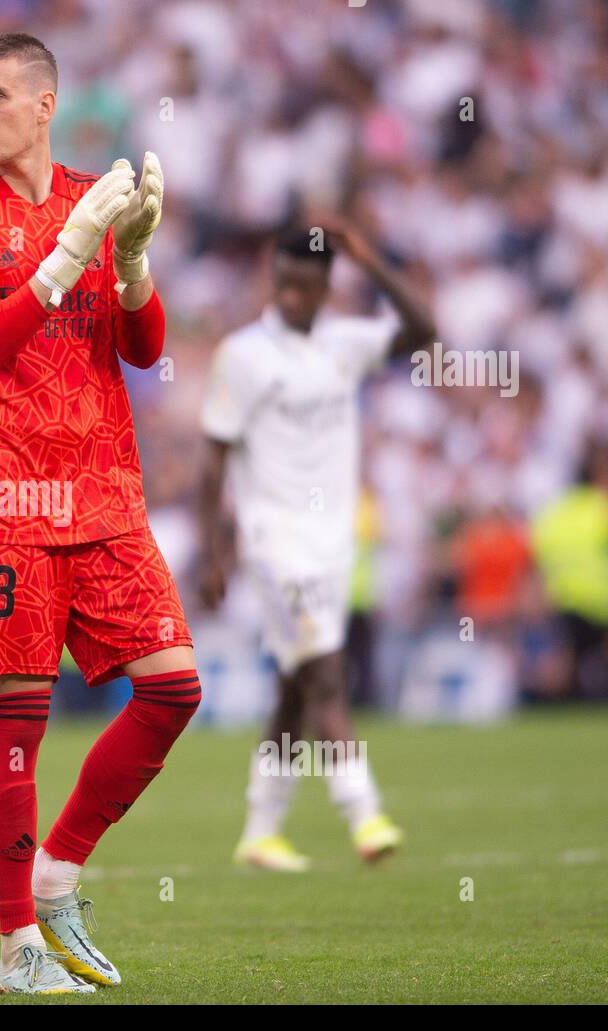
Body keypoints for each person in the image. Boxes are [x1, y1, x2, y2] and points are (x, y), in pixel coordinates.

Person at [0, 32, 200, 994]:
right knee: (20, 723)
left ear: (45, 105)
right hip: (4, 503)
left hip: (106, 494)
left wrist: (132, 265)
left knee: (174, 689)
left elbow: (146, 350)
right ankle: (17, 947)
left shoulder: (95, 199)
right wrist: (59, 263)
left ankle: (59, 868)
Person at [197, 221, 435, 872]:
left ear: (328, 284)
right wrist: (212, 552)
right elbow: (212, 457)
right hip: (274, 541)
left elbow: (425, 331)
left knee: (295, 686)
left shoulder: (346, 344)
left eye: (305, 283)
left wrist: (371, 256)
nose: (292, 293)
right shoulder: (242, 355)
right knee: (327, 671)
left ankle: (260, 828)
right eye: (283, 281)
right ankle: (365, 813)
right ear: (272, 276)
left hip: (334, 545)